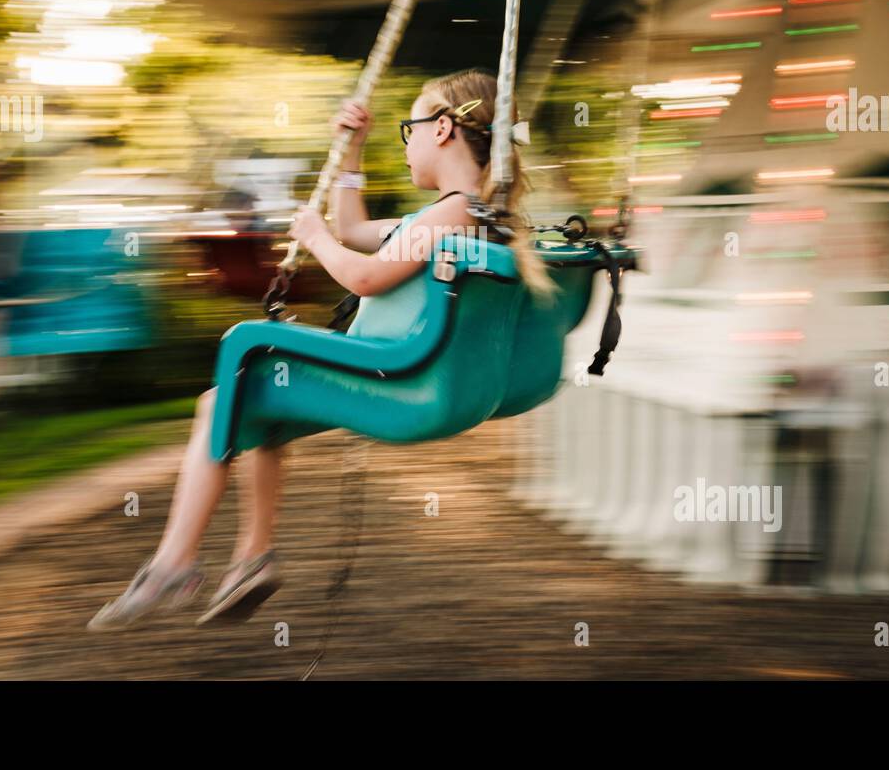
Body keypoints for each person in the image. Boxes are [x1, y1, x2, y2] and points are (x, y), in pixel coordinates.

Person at [87, 68, 551, 631]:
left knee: (223, 395)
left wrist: (313, 238)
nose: (406, 145)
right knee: (260, 397)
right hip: (423, 379)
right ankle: (248, 559)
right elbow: (354, 227)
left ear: (444, 129)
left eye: (411, 129)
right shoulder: (473, 214)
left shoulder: (451, 215)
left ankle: (173, 565)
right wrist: (350, 155)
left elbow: (363, 275)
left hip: (397, 380)